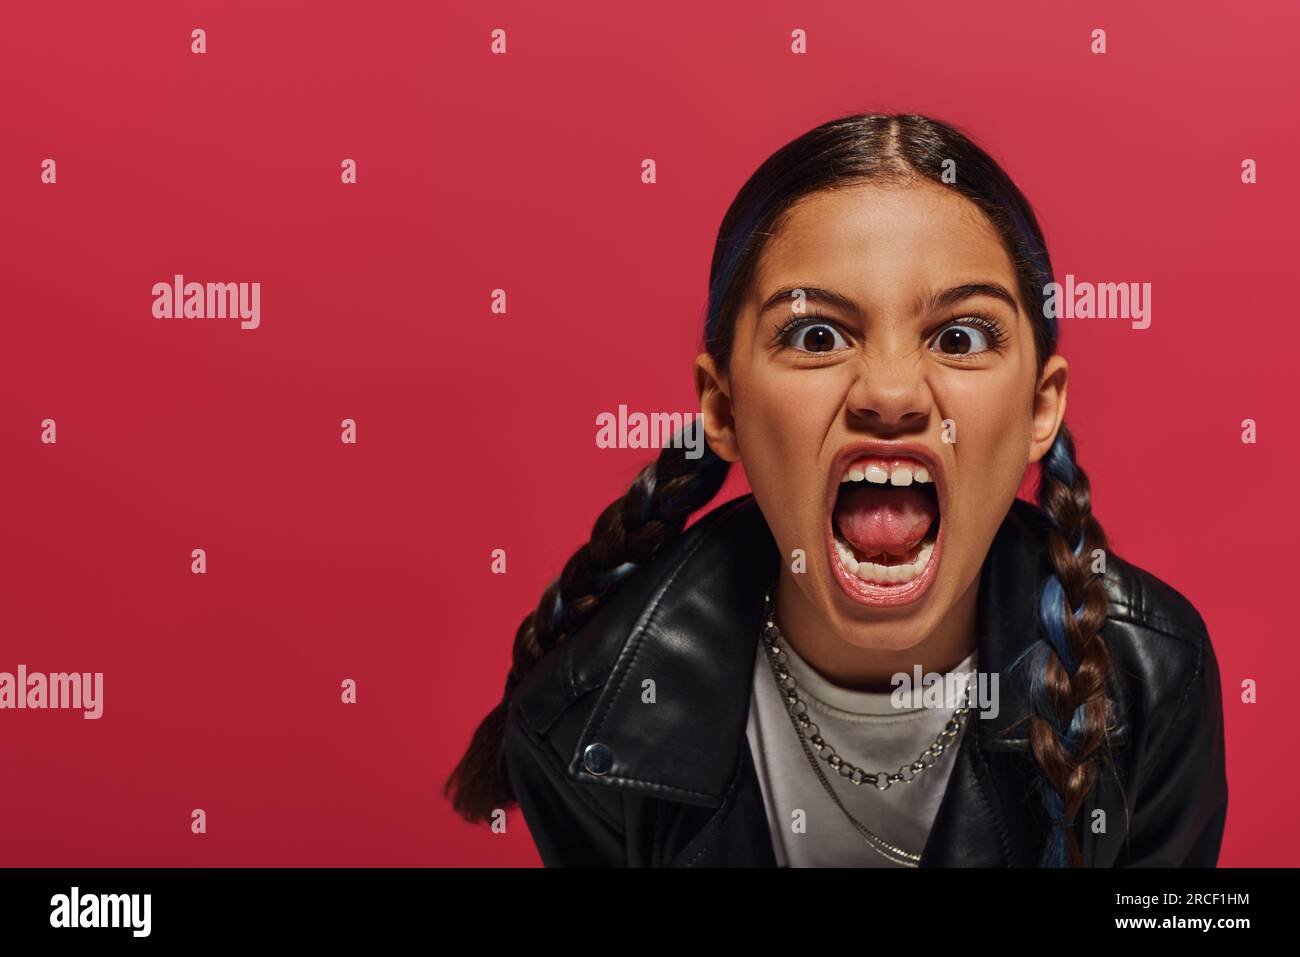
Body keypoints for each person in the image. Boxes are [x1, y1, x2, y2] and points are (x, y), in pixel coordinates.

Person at [444, 113, 1229, 867]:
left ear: (1038, 407)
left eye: (959, 337)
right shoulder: (586, 718)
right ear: (722, 406)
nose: (889, 393)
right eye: (816, 335)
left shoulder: (1153, 680)